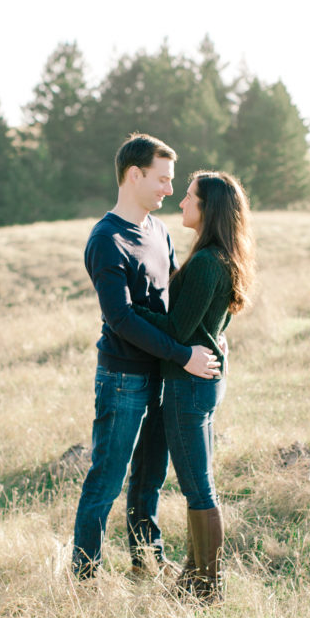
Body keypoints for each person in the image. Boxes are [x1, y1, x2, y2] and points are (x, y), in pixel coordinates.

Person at [71, 133, 221, 581]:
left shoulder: (158, 231)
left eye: (172, 181)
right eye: (162, 179)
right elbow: (120, 318)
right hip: (124, 378)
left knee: (149, 476)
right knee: (107, 478)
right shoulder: (106, 239)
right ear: (134, 175)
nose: (170, 190)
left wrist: (209, 336)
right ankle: (85, 576)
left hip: (163, 374)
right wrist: (183, 354)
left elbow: (175, 300)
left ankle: (146, 559)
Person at [132, 170, 255, 603]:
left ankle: (208, 587)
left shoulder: (206, 263)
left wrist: (129, 311)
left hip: (189, 387)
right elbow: (208, 324)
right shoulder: (219, 257)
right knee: (197, 484)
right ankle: (195, 573)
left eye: (189, 197)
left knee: (198, 488)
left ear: (208, 208)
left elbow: (179, 330)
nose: (181, 202)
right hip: (200, 383)